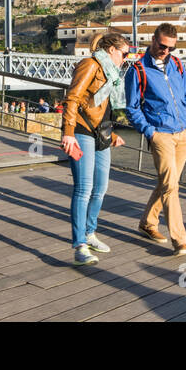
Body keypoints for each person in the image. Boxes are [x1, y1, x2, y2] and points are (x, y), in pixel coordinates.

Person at [124, 23, 186, 255]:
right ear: (153, 40)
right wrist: (150, 133)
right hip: (161, 134)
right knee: (170, 186)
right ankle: (180, 240)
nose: (166, 51)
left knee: (169, 182)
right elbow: (132, 108)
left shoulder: (177, 63)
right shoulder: (137, 71)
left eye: (171, 48)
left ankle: (147, 223)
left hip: (184, 133)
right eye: (163, 45)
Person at [60, 32, 129, 265]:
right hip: (81, 130)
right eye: (124, 53)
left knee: (101, 188)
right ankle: (79, 245)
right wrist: (68, 133)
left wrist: (112, 134)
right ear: (111, 50)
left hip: (101, 133)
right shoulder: (90, 65)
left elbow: (101, 108)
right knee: (84, 188)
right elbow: (73, 98)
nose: (125, 58)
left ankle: (90, 233)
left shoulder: (111, 72)